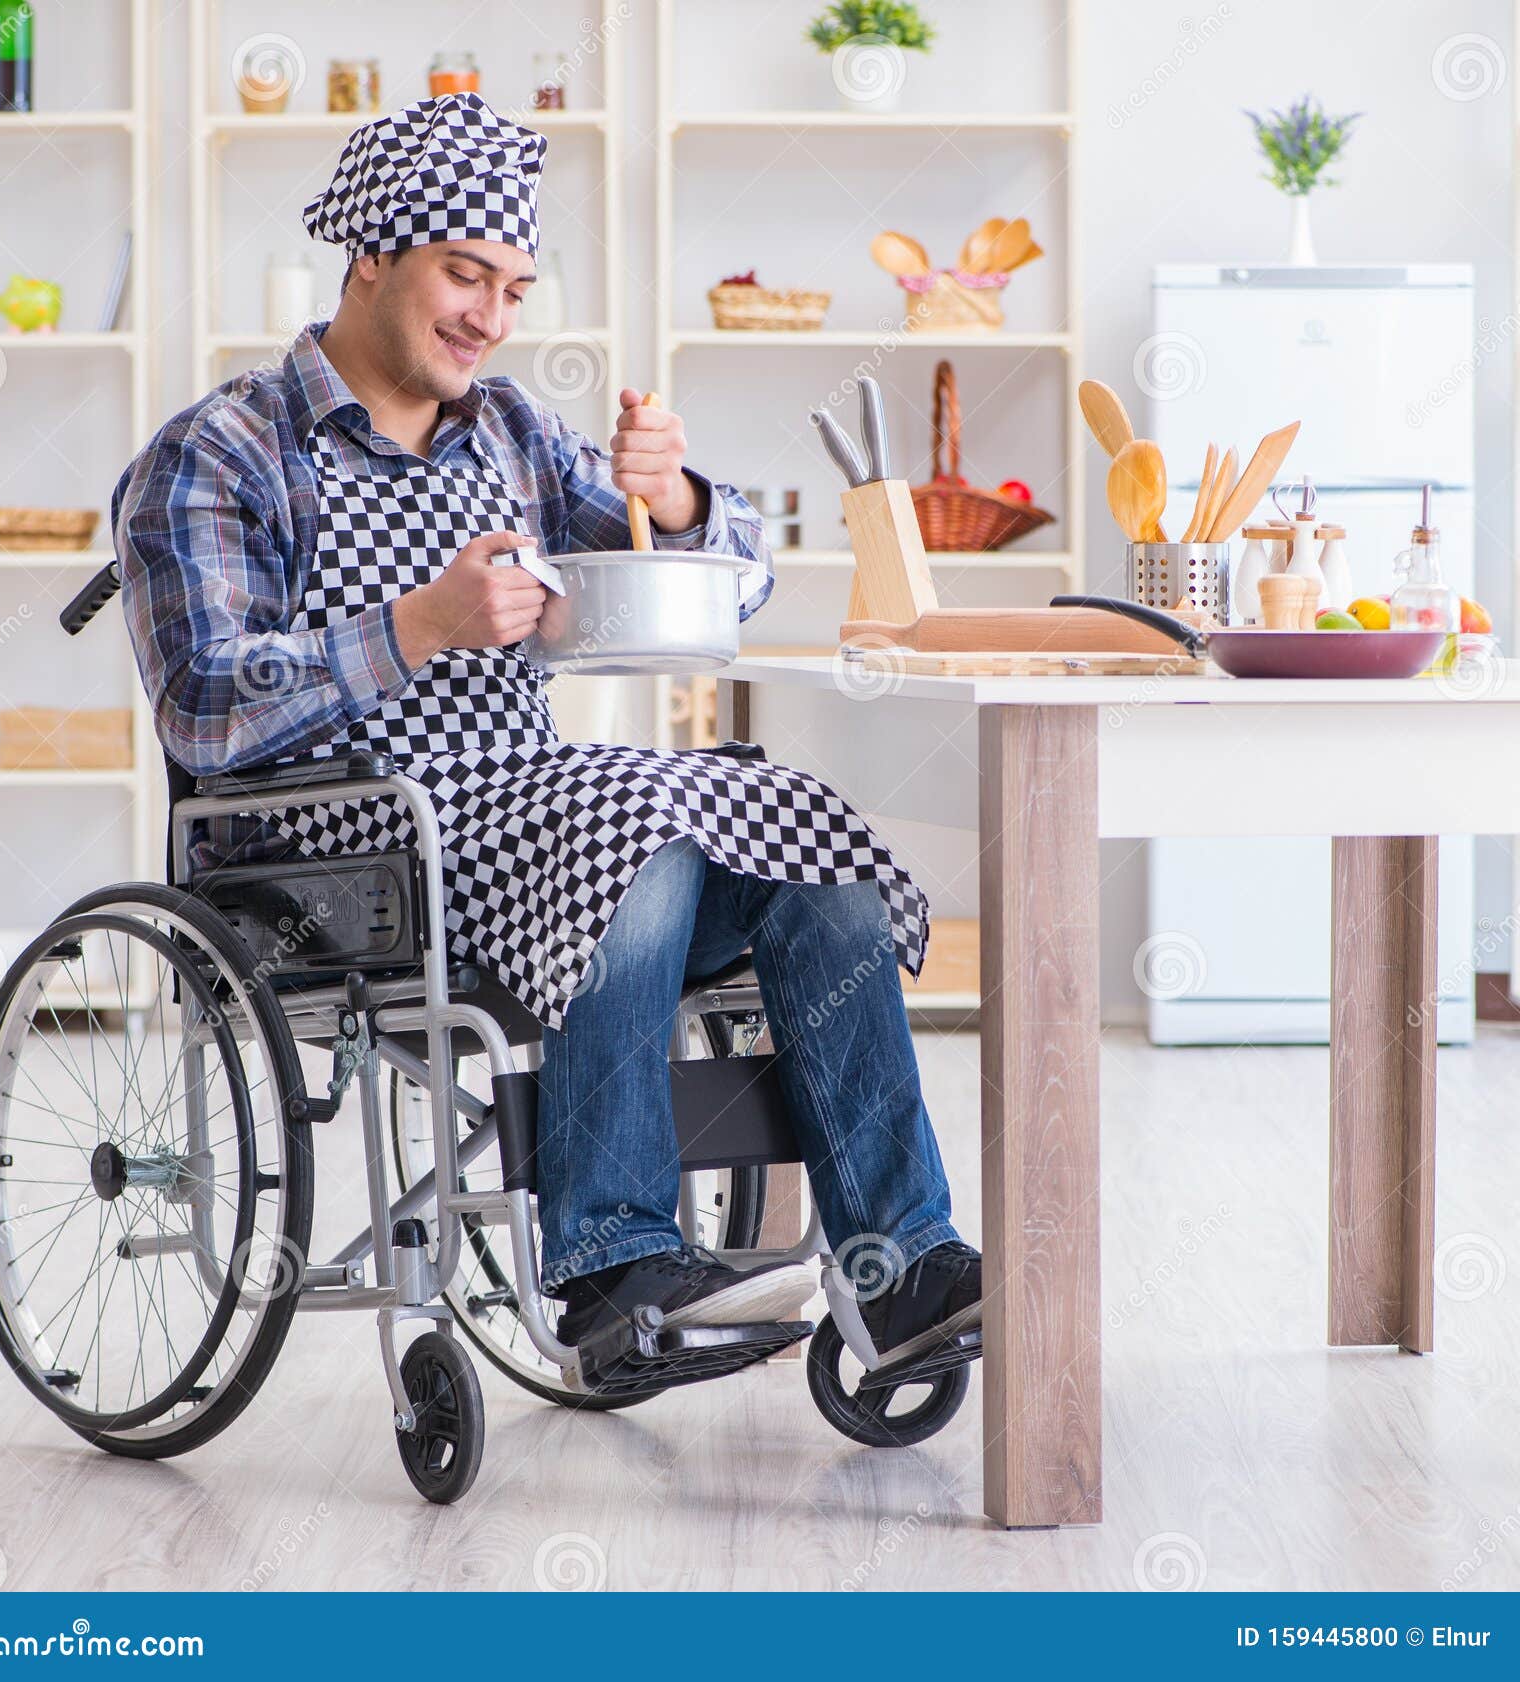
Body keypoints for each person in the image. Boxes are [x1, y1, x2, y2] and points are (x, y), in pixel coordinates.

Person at [113, 94, 980, 1370]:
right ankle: (613, 1264)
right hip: (336, 861)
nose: (491, 316)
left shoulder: (514, 433)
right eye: (464, 274)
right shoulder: (223, 451)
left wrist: (672, 498)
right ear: (370, 252)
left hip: (534, 823)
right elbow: (204, 702)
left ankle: (899, 1268)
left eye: (514, 287)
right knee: (636, 821)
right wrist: (417, 624)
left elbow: (735, 583)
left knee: (806, 845)